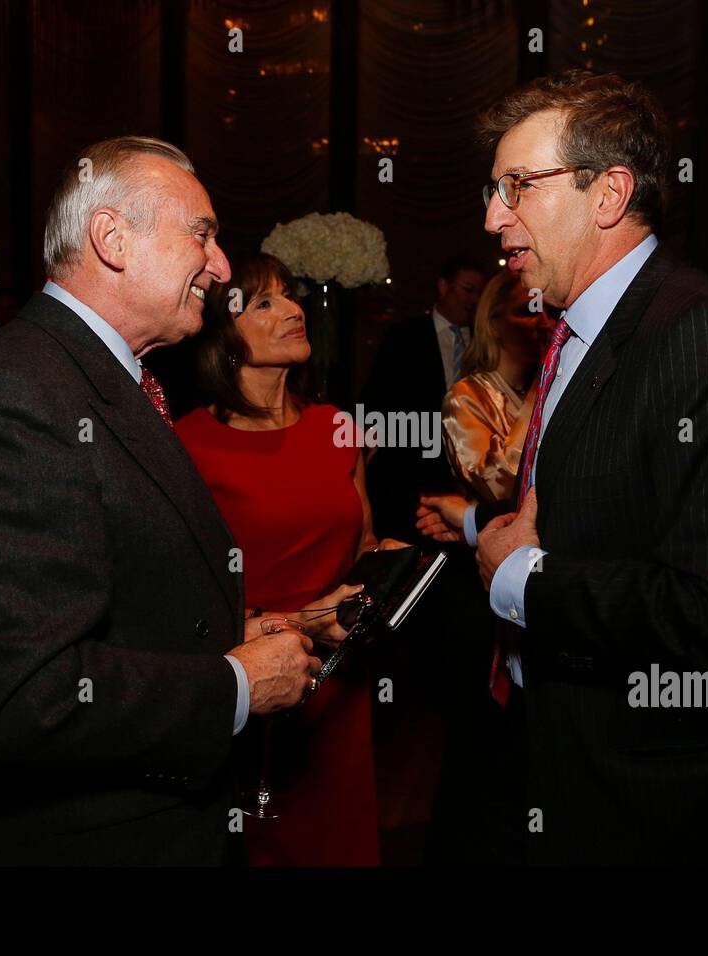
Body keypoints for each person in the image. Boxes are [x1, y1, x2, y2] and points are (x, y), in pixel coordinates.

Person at [417, 71, 708, 865]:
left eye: (517, 187)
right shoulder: (571, 336)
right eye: (495, 191)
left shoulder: (707, 339)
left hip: (652, 808)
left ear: (609, 193)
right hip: (550, 762)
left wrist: (521, 577)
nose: (494, 218)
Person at [0, 136, 320, 866]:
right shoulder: (12, 394)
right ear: (112, 239)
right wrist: (234, 683)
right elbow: (28, 695)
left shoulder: (110, 378)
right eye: (202, 234)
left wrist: (231, 627)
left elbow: (110, 578)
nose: (220, 266)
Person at [176, 252, 406, 866]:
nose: (293, 310)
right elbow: (177, 592)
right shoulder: (186, 446)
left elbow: (363, 545)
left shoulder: (337, 428)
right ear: (223, 334)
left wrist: (392, 570)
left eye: (290, 296)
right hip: (248, 688)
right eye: (265, 303)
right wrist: (296, 623)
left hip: (338, 690)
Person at [359, 256, 487, 542]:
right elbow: (376, 402)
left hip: (469, 481)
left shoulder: (483, 342)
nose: (473, 300)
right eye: (467, 290)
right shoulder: (405, 335)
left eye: (480, 293)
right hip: (409, 478)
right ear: (444, 287)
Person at [438, 270, 541, 504]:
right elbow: (496, 486)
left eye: (549, 311)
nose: (542, 321)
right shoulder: (465, 397)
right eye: (527, 311)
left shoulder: (553, 385)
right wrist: (540, 389)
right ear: (494, 323)